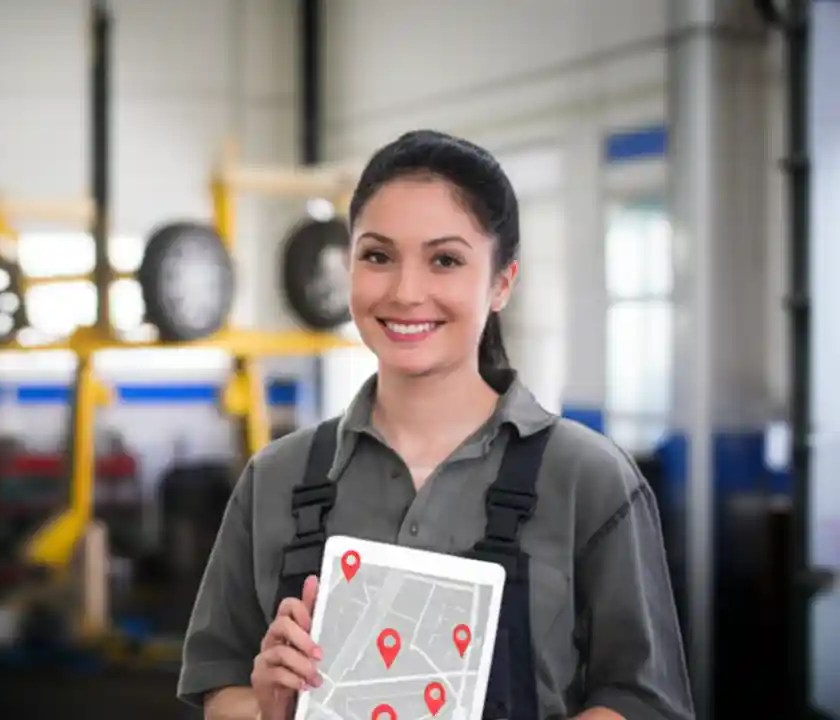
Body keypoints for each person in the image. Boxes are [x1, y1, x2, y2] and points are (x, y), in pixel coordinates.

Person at [176, 130, 695, 720]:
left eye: (445, 260)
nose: (406, 292)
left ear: (502, 283)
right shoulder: (276, 478)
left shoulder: (588, 478)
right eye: (378, 256)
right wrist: (271, 708)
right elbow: (221, 689)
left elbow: (643, 700)